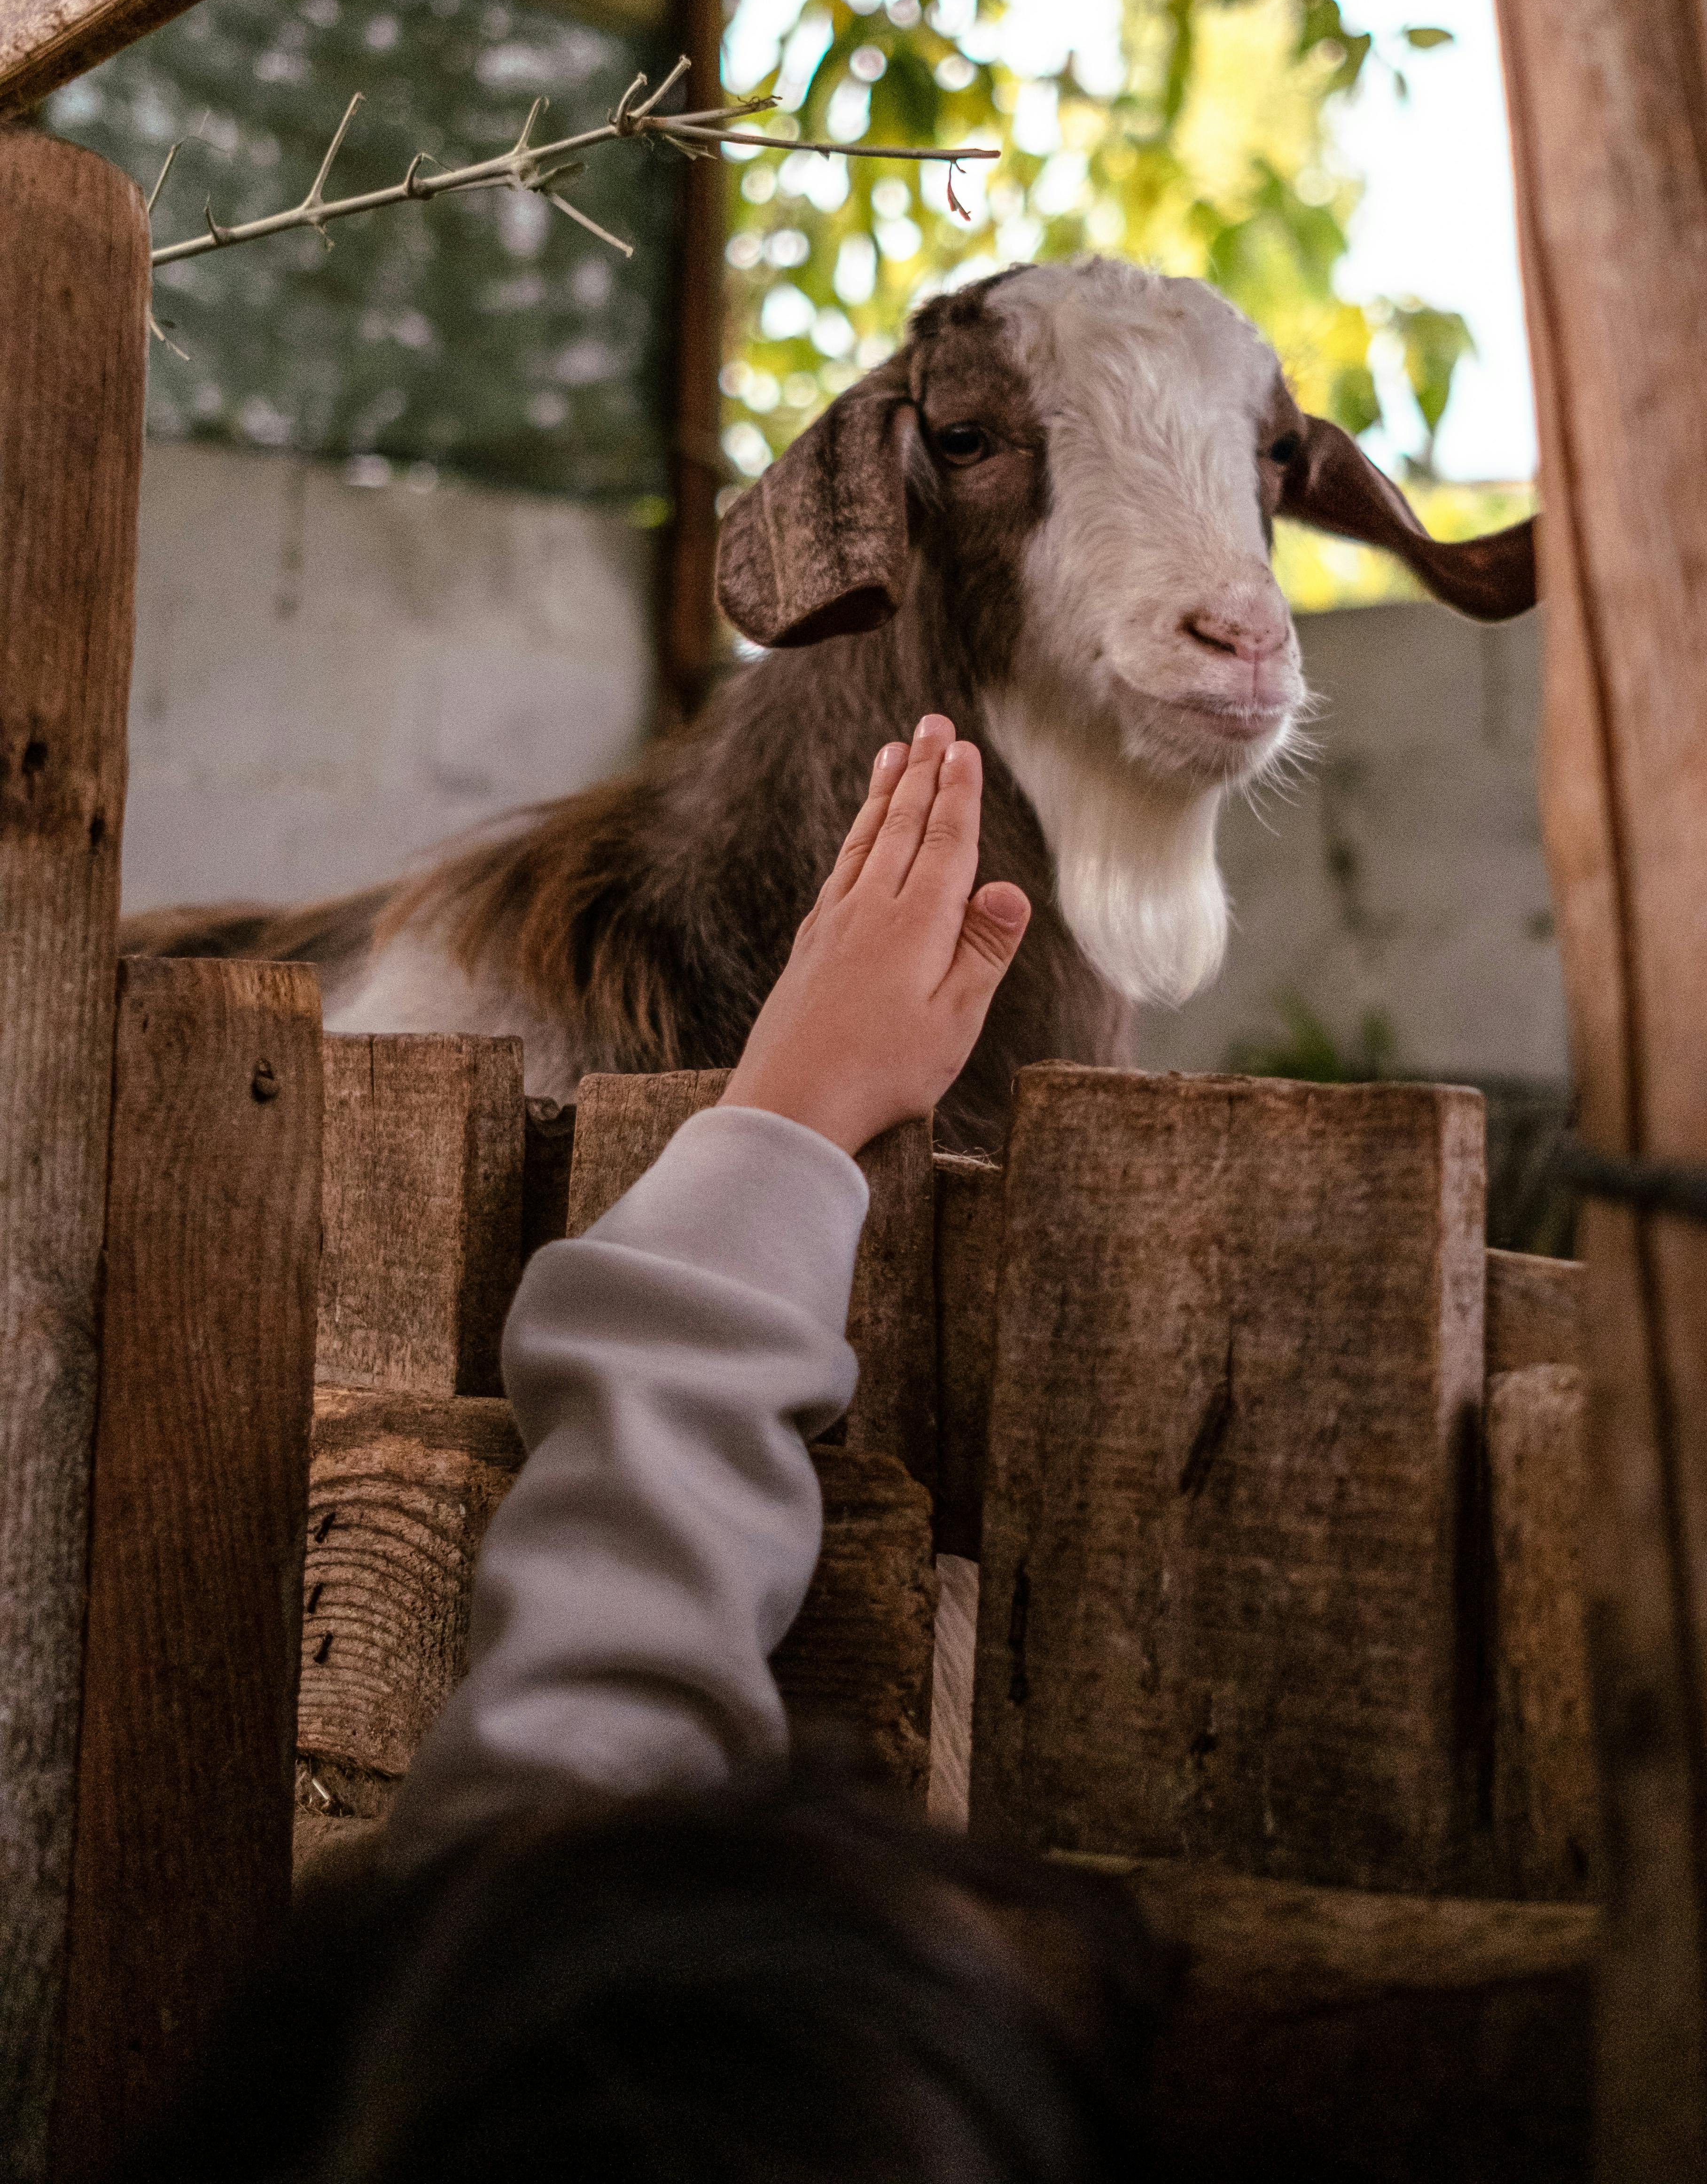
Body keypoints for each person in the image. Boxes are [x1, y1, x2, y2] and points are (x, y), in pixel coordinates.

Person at [126, 719, 1174, 2183]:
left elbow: (563, 1836)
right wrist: (794, 1124)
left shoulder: (483, 2061)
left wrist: (783, 1116)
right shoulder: (489, 2037)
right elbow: (563, 1815)